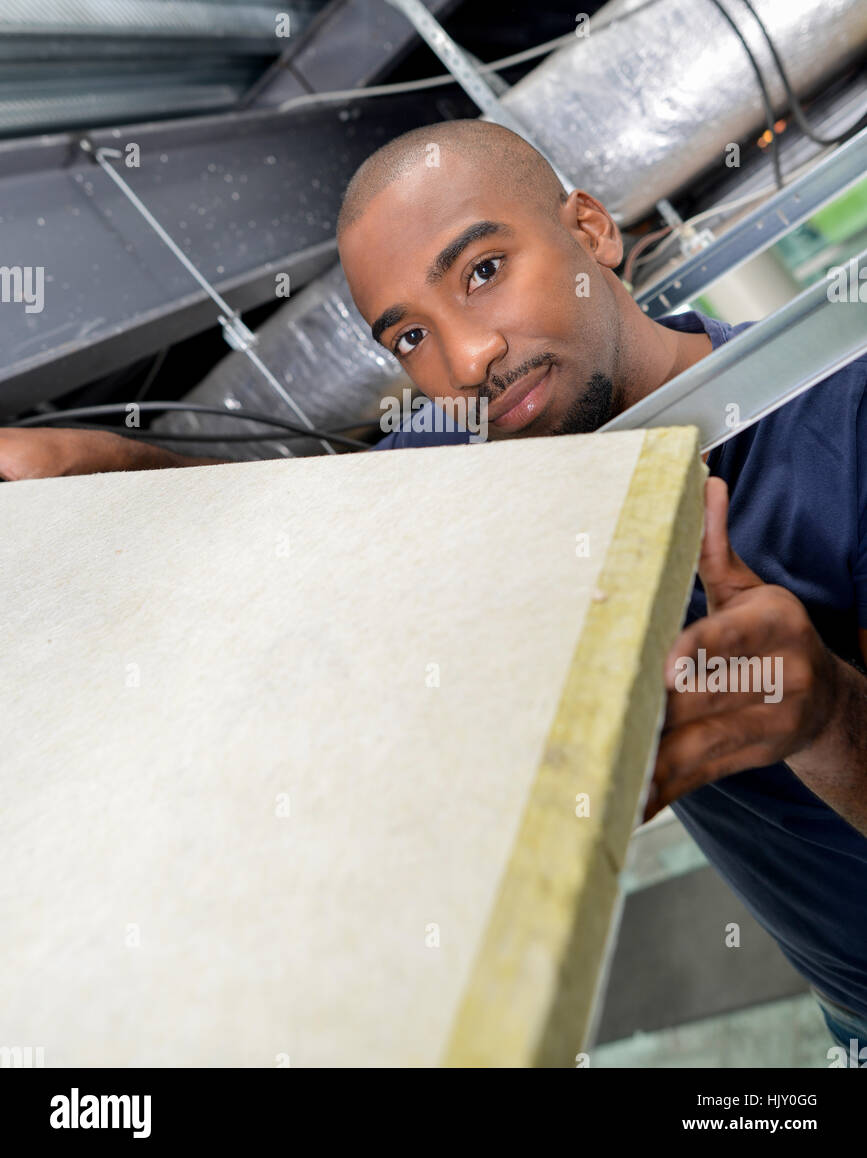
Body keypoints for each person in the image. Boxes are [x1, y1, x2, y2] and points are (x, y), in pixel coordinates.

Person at [2, 119, 866, 1057]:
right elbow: (305, 522)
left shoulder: (840, 424)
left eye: (483, 271)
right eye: (410, 334)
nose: (464, 361)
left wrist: (824, 712)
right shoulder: (483, 454)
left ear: (588, 231)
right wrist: (100, 468)